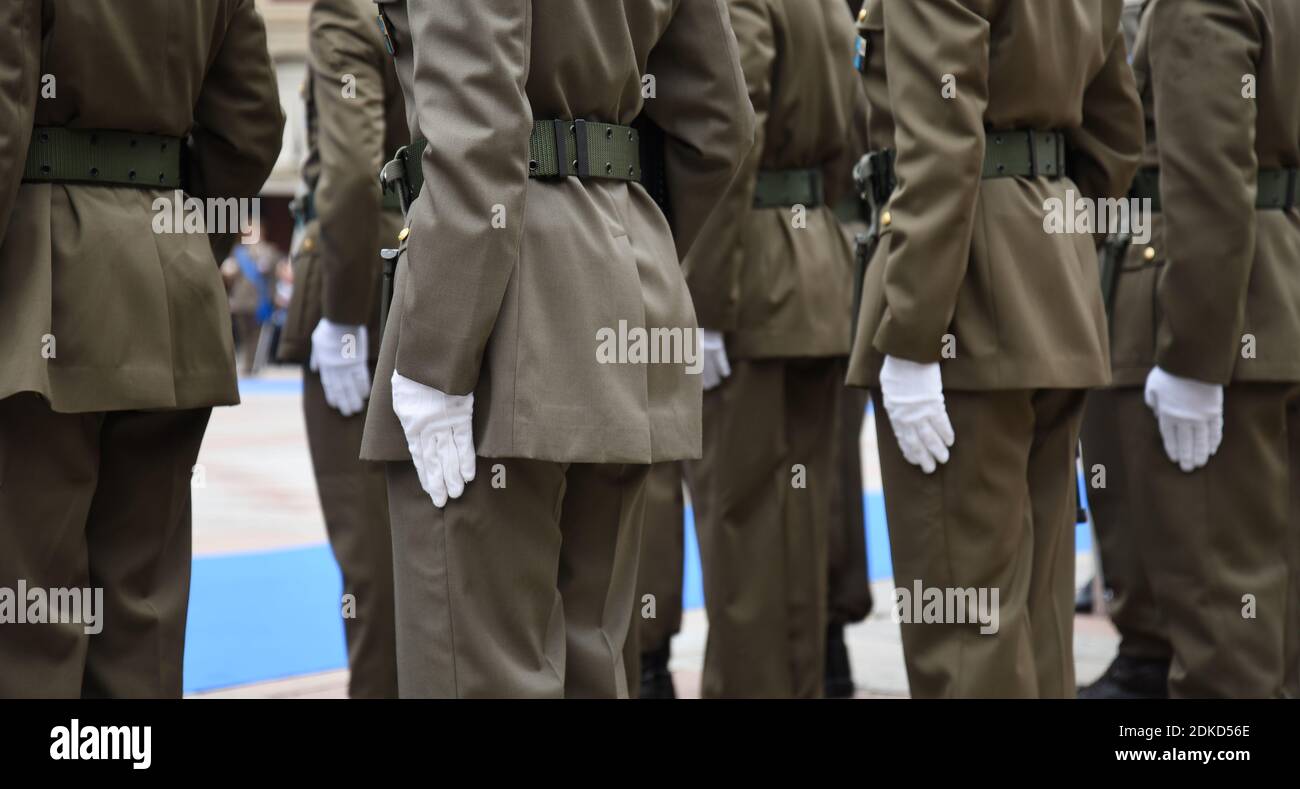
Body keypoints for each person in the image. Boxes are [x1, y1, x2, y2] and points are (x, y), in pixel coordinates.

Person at [359, 0, 754, 698]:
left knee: (474, 671)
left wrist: (436, 356)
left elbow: (478, 123)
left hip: (495, 317)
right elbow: (718, 125)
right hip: (619, 294)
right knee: (593, 663)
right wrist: (625, 257)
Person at [847, 0, 1143, 698]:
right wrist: (1049, 250)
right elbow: (1115, 139)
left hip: (960, 304)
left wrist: (915, 334)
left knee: (965, 637)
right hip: (1049, 292)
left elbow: (942, 144)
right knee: (1037, 625)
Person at [0, 0, 283, 697]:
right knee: (141, 618)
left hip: (42, 290)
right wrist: (177, 249)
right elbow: (250, 124)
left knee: (30, 620)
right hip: (164, 301)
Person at [1086, 0, 1300, 698]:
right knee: (1272, 617)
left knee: (1222, 646)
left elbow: (1208, 175)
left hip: (1225, 314)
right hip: (1278, 287)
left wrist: (1193, 360)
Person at [682, 0, 862, 699]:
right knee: (799, 523)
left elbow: (730, 135)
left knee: (740, 526)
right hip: (814, 269)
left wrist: (702, 304)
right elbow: (853, 132)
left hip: (748, 283)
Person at [275, 0, 409, 699]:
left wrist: (343, 315)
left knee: (372, 561)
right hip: (446, 270)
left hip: (370, 285)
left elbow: (354, 174)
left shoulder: (348, 10)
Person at [1078, 0, 1172, 700]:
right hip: (1136, 234)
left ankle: (1154, 652)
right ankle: (1146, 644)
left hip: (1154, 238)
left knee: (1139, 462)